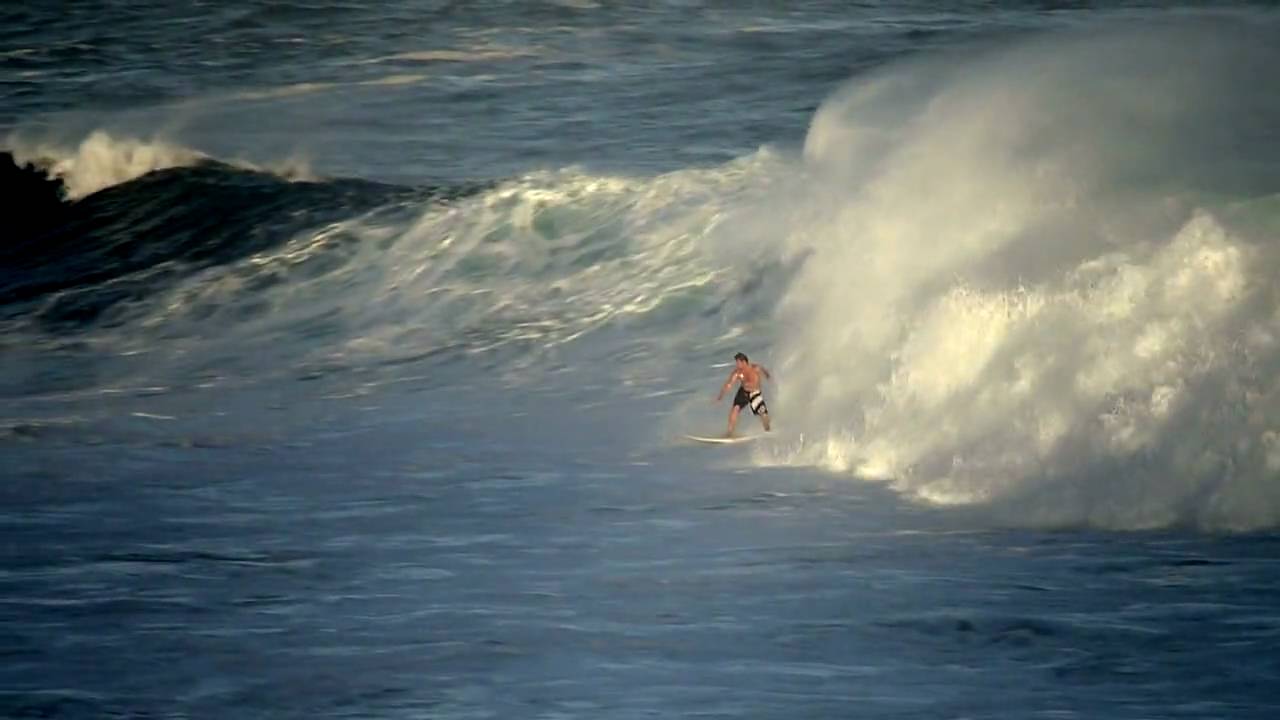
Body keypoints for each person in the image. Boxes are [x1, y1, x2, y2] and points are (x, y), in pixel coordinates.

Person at [713, 352, 772, 436]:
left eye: (738, 363)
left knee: (763, 414)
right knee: (735, 409)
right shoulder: (737, 373)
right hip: (743, 392)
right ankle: (729, 433)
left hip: (755, 393)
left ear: (744, 362)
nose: (737, 365)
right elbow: (729, 385)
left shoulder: (755, 368)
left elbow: (765, 371)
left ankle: (768, 431)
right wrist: (720, 397)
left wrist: (768, 377)